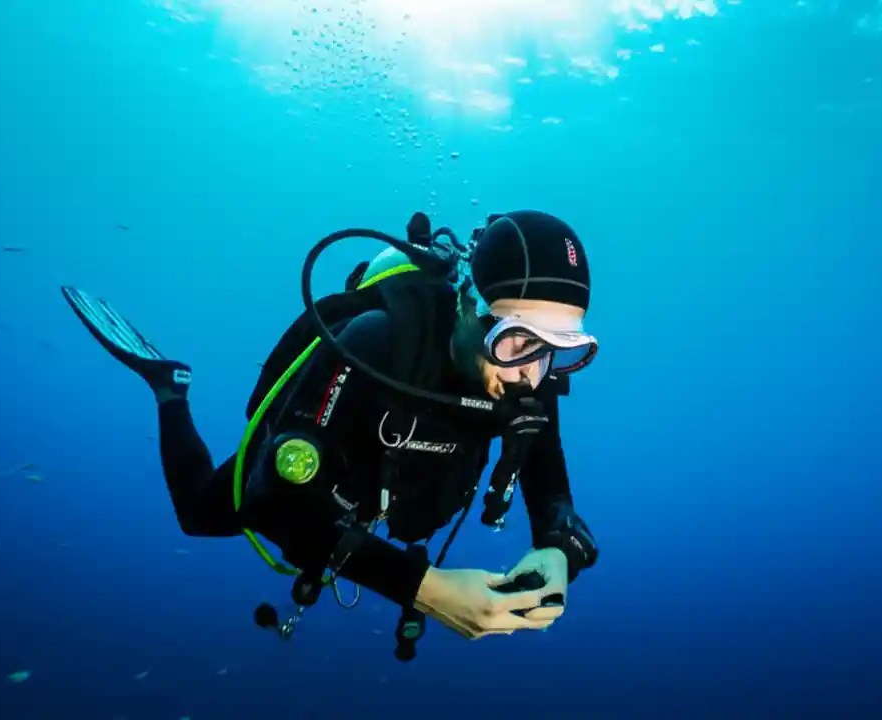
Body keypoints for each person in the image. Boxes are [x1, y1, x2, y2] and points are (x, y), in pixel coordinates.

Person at [61, 209, 600, 657]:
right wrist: (424, 589)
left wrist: (557, 549)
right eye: (516, 340)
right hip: (316, 477)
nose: (532, 372)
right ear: (467, 304)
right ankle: (169, 388)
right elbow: (271, 502)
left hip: (381, 498)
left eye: (561, 348)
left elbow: (548, 476)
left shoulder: (531, 372)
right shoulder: (376, 344)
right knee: (198, 514)